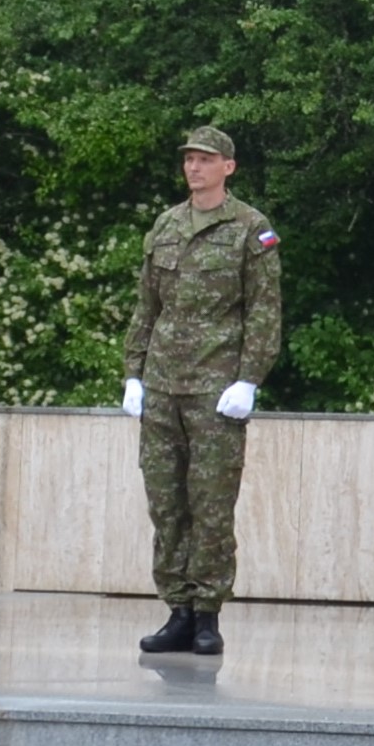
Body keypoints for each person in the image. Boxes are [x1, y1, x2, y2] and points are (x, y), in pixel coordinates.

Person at [122, 125, 282, 658]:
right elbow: (148, 305)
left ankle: (208, 614)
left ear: (228, 167)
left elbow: (264, 309)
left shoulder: (249, 228)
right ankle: (178, 610)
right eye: (189, 159)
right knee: (166, 503)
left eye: (206, 159)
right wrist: (133, 373)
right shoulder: (166, 226)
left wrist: (248, 378)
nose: (195, 167)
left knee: (211, 505)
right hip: (164, 385)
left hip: (216, 390)